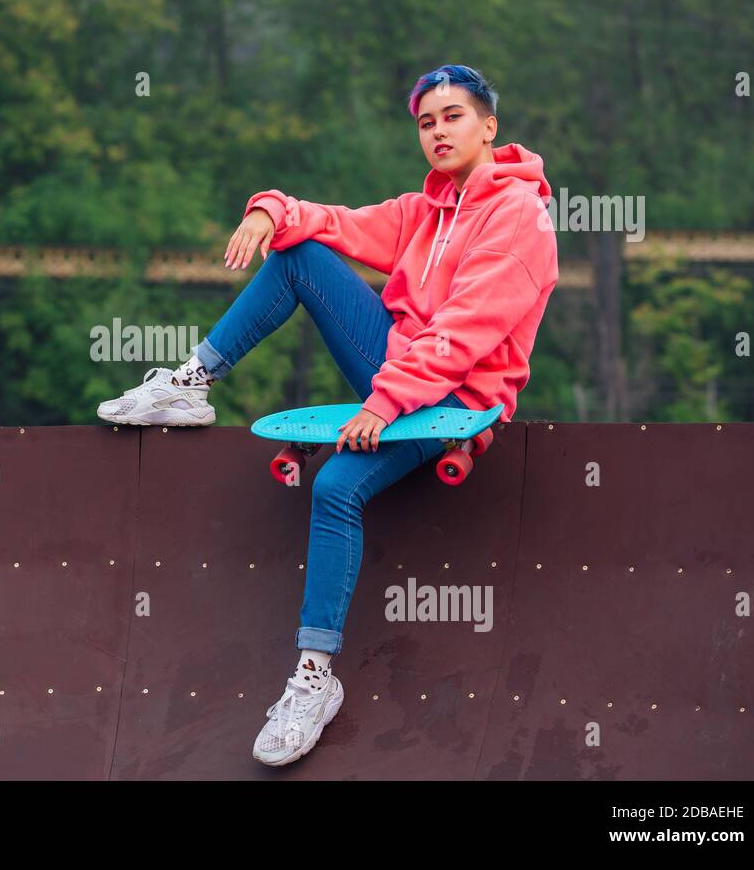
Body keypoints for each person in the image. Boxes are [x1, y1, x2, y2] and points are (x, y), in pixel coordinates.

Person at [97, 64, 559, 766]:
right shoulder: (423, 212)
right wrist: (270, 211)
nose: (438, 131)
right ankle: (190, 383)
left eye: (454, 116)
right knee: (299, 256)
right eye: (426, 122)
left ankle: (313, 680)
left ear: (489, 125)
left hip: (455, 404)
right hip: (403, 380)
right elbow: (337, 224)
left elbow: (463, 333)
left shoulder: (518, 215)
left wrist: (383, 402)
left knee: (336, 487)